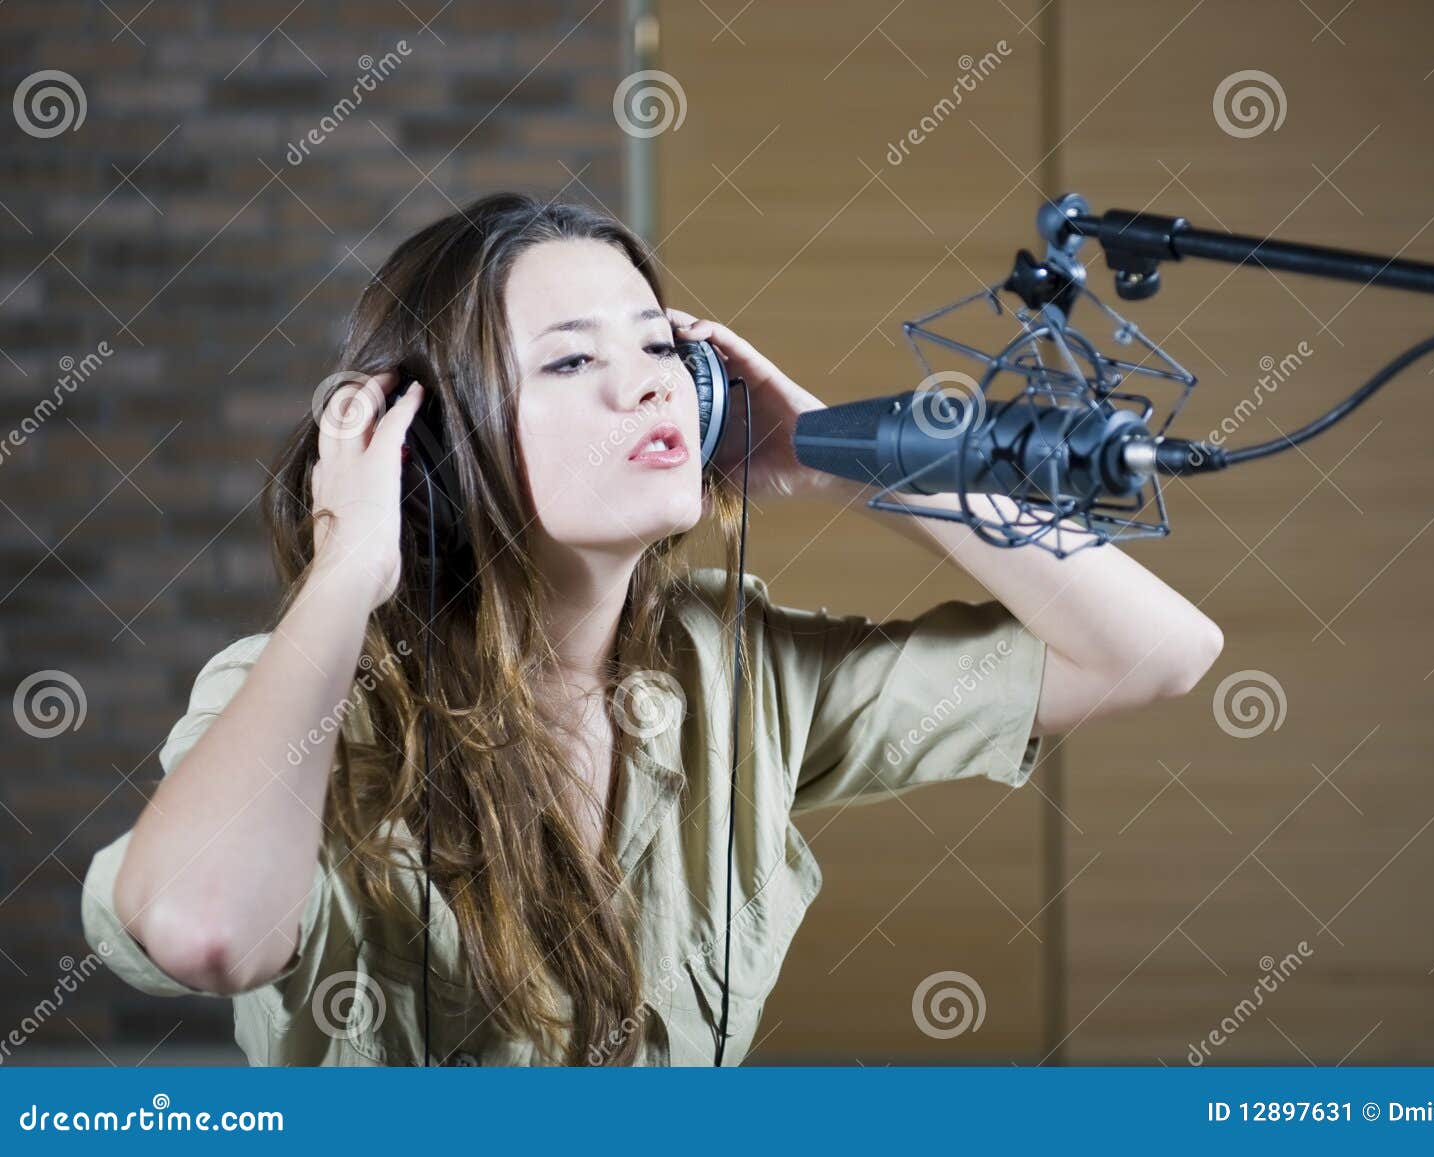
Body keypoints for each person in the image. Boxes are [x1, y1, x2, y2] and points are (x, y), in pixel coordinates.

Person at [80, 193, 1223, 1066]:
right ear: (432, 446)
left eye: (660, 346)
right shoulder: (307, 696)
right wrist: (347, 571)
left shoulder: (743, 670)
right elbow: (203, 928)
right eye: (574, 358)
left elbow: (1152, 650)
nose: (651, 386)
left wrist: (855, 454)